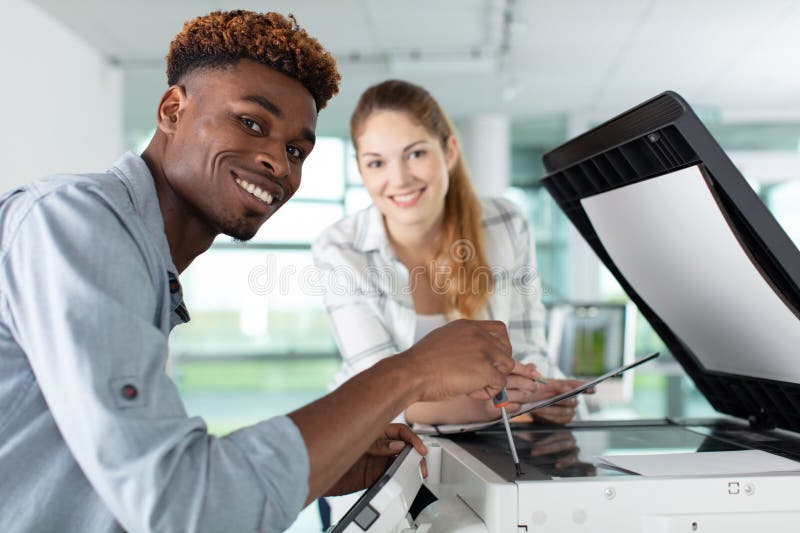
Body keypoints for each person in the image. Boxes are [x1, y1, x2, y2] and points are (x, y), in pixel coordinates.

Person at [0, 12, 528, 533]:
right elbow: (182, 507)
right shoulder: (76, 222)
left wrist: (315, 469)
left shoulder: (142, 262)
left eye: (297, 150)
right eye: (251, 123)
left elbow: (124, 482)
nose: (279, 162)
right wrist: (412, 371)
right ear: (171, 110)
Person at [313, 79, 588, 428]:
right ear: (361, 170)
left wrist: (546, 392)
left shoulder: (505, 223)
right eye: (376, 163)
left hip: (501, 437)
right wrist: (511, 403)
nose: (398, 179)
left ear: (449, 152)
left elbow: (528, 351)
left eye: (415, 154)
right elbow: (378, 393)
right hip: (389, 444)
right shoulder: (340, 248)